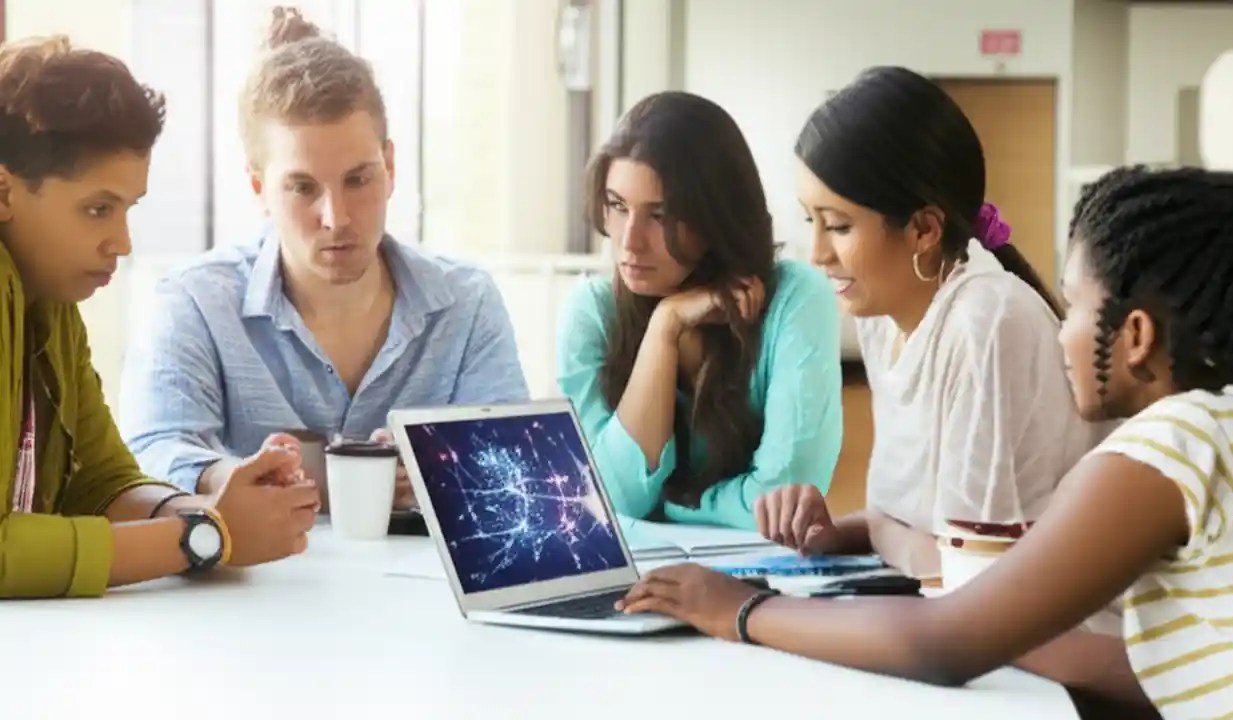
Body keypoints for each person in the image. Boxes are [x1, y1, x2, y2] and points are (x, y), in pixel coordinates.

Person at [620, 165, 1233, 718]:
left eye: (1074, 306)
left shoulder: (1176, 442)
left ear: (1135, 336)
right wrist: (894, 548)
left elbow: (944, 646)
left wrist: (741, 609)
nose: (1062, 332)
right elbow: (1150, 670)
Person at [119, 7, 528, 508]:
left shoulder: (467, 302)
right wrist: (241, 477)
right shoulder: (196, 301)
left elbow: (516, 465)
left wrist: (436, 468)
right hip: (259, 583)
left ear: (391, 165)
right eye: (302, 187)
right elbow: (151, 451)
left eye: (358, 179)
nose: (336, 217)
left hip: (419, 585)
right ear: (259, 188)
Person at [0, 35, 319, 598]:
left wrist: (214, 509)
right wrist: (205, 538)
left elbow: (100, 485)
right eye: (97, 209)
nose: (120, 243)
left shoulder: (47, 293)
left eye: (127, 209)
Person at [752, 67, 1100, 581]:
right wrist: (836, 533)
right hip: (953, 609)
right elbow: (913, 523)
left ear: (924, 229)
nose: (819, 253)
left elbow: (972, 578)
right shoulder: (885, 317)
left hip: (1039, 631)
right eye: (812, 221)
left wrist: (879, 530)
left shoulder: (986, 322)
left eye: (840, 226)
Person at [555, 91, 842, 531]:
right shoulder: (591, 312)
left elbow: (783, 497)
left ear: (716, 214)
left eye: (661, 215)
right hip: (633, 583)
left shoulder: (797, 298)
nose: (629, 241)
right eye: (617, 206)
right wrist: (664, 329)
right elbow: (609, 502)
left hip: (759, 581)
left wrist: (668, 506)